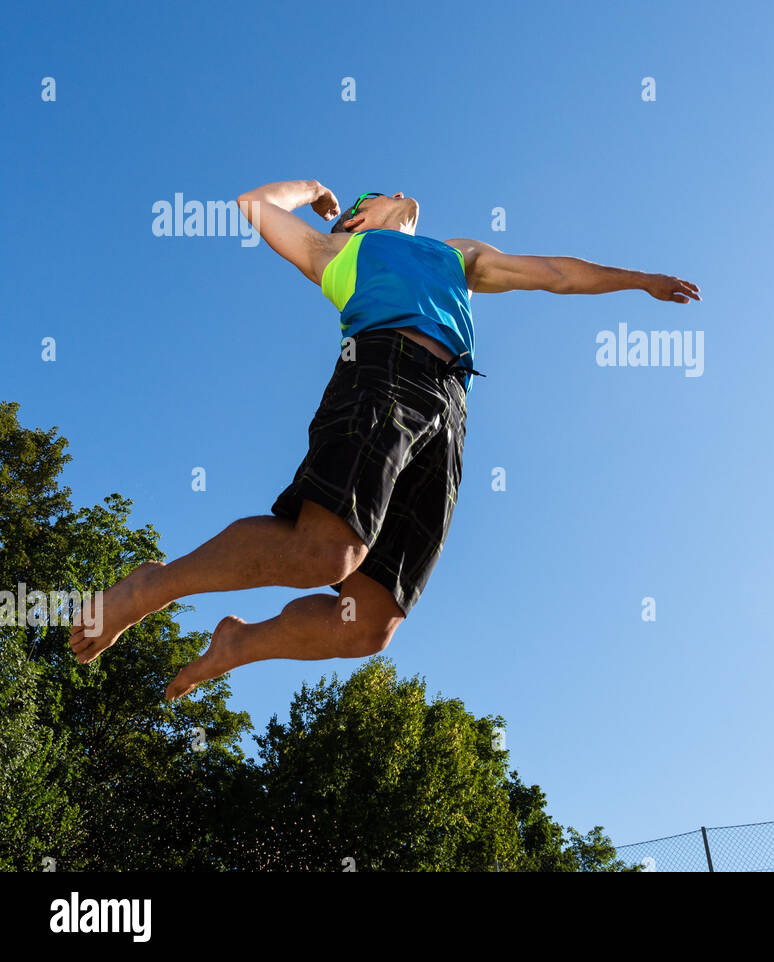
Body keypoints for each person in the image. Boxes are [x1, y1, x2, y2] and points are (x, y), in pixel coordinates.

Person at [69, 179, 700, 700]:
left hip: (450, 411)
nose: (398, 192)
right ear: (356, 219)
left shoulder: (458, 254)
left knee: (368, 624)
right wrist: (314, 191)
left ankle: (241, 643)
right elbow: (251, 207)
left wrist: (640, 279)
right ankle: (151, 587)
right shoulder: (332, 252)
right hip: (383, 371)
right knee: (325, 555)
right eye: (375, 195)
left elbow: (557, 273)